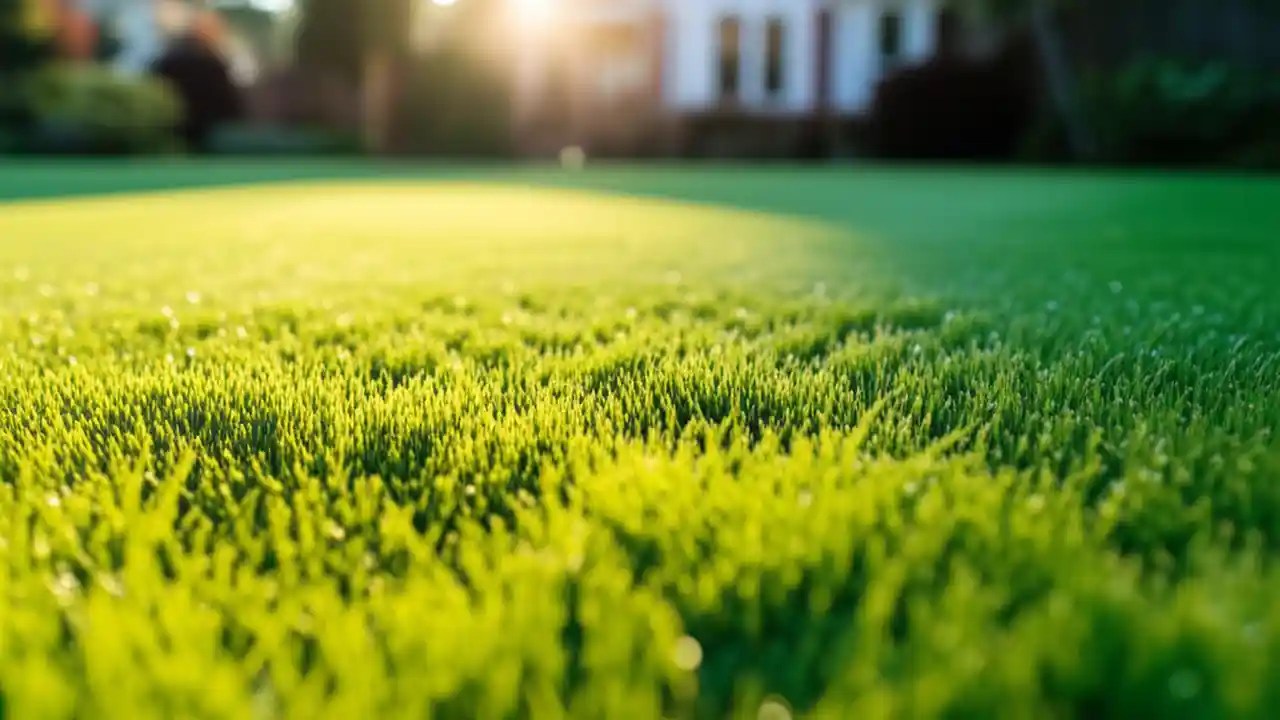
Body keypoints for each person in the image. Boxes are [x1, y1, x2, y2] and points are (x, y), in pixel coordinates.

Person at [152, 12, 243, 152]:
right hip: (205, 132)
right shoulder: (213, 65)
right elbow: (230, 105)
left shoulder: (167, 59)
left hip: (173, 130)